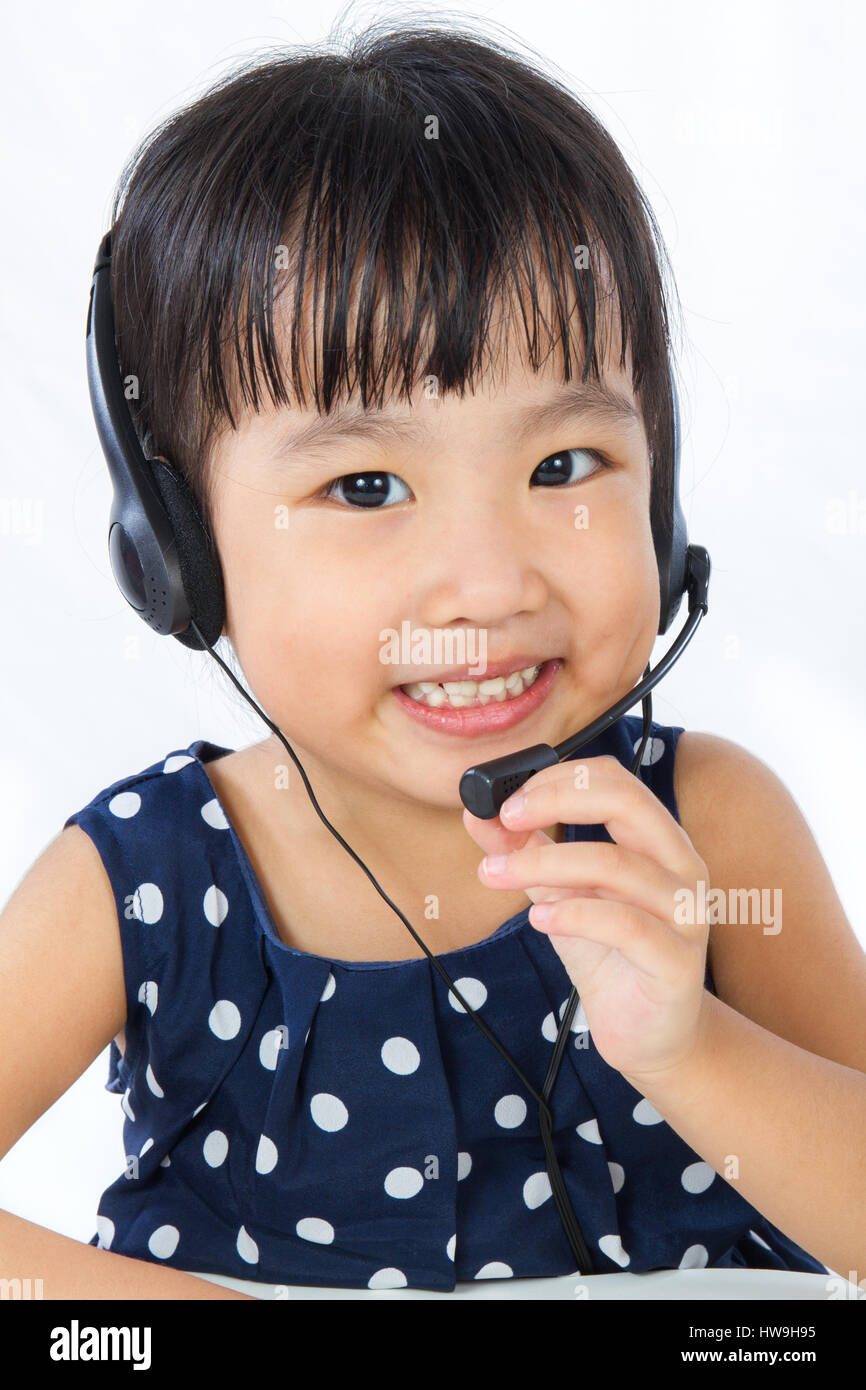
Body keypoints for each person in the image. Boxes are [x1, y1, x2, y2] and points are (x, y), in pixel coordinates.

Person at [3, 19, 865, 1298]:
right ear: (176, 552)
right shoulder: (143, 882)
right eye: (364, 484)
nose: (488, 582)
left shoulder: (712, 830)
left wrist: (684, 1048)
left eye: (563, 466)